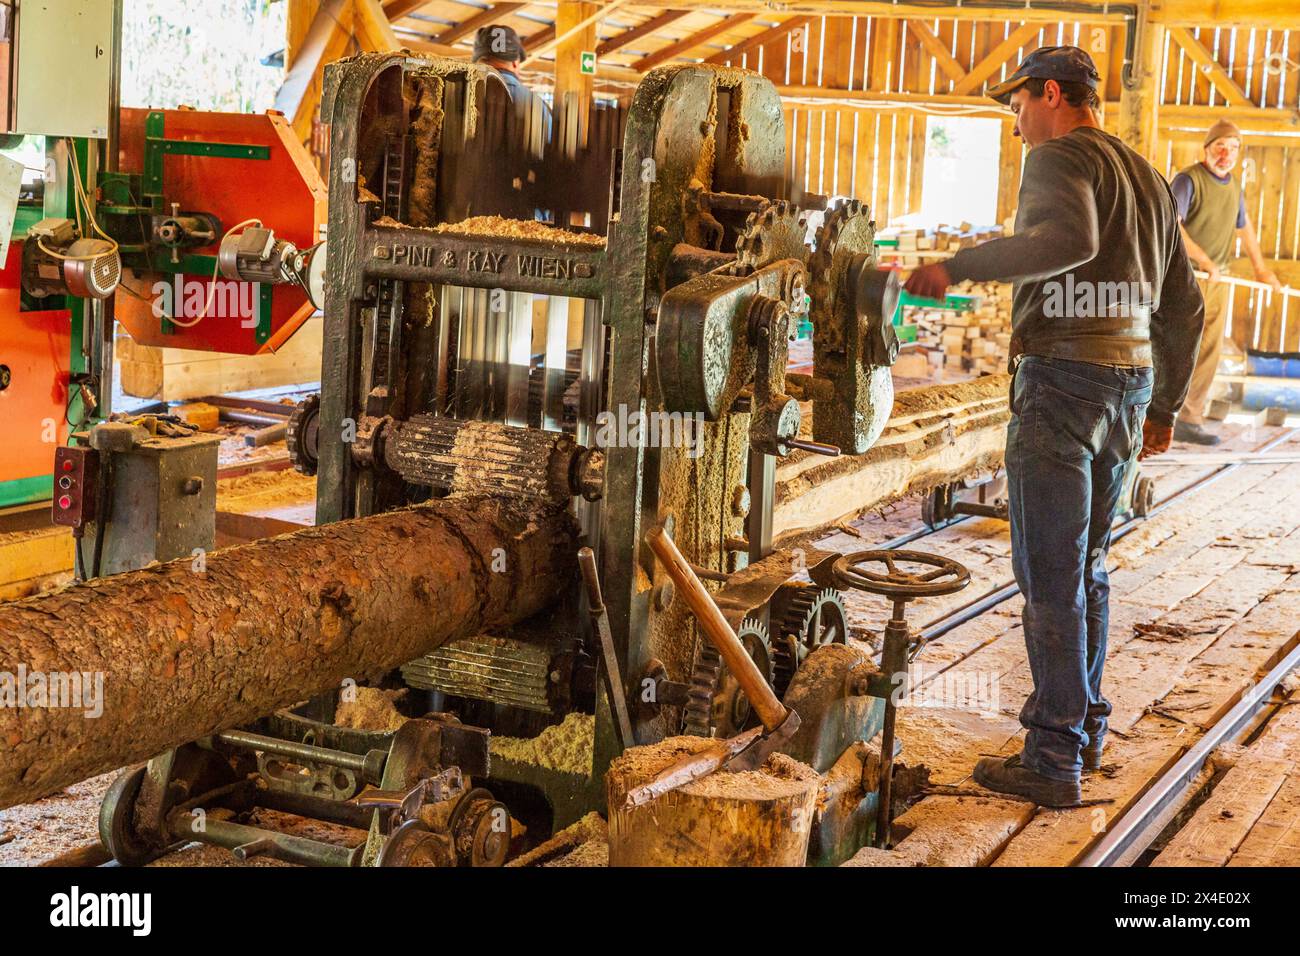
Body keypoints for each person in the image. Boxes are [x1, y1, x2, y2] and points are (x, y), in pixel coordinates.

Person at [904, 46, 1204, 807]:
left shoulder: (1058, 158)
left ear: (1049, 95)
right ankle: (1086, 728)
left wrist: (957, 266)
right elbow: (1185, 307)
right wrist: (1162, 406)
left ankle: (1051, 757)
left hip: (1063, 384)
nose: (1016, 127)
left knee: (1048, 573)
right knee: (1089, 563)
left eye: (1017, 107)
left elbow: (1064, 244)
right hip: (1126, 388)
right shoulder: (1144, 174)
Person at [1170, 120, 1284, 445]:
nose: (1226, 154)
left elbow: (1244, 227)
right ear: (1207, 149)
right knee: (1176, 348)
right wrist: (1203, 260)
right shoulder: (1187, 180)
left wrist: (1262, 271)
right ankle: (1154, 417)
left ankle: (1189, 420)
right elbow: (1171, 227)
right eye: (1220, 147)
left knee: (1208, 352)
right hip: (1186, 277)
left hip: (1217, 281)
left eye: (1233, 148)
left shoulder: (1234, 186)